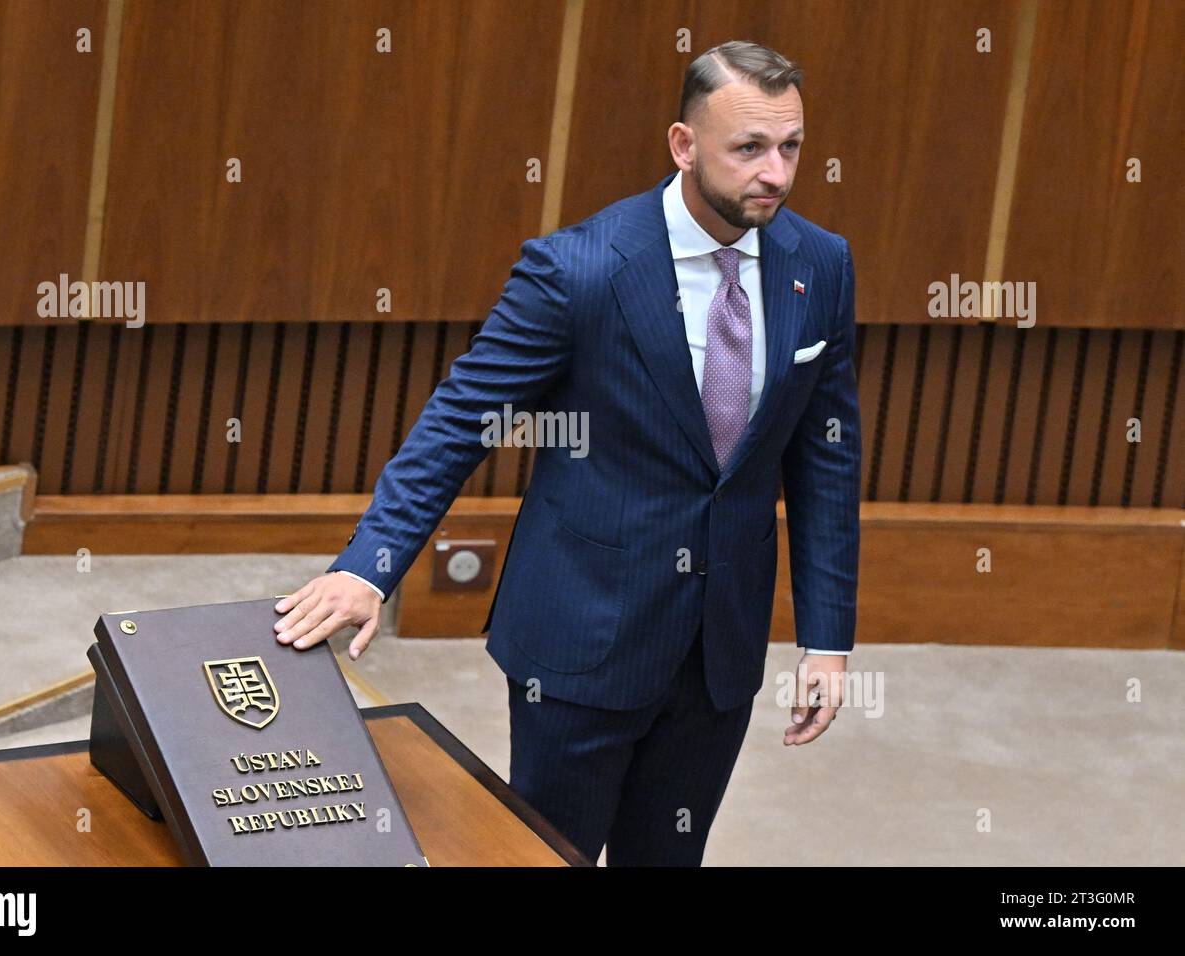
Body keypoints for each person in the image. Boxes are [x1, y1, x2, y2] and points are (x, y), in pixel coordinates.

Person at [274, 40, 860, 866]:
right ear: (684, 146)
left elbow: (825, 458)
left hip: (719, 648)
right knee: (550, 856)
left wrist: (827, 638)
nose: (776, 172)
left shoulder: (820, 266)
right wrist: (370, 565)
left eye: (791, 146)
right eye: (750, 148)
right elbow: (461, 419)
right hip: (583, 642)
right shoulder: (578, 270)